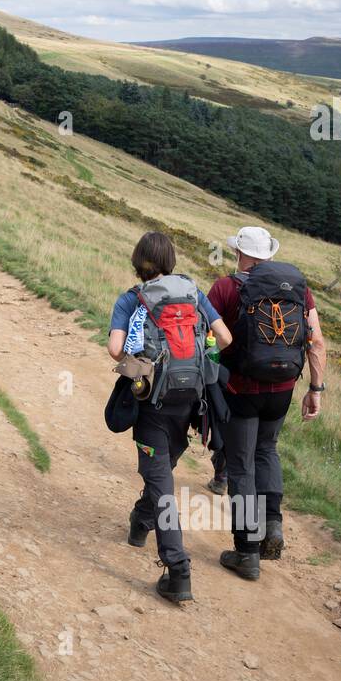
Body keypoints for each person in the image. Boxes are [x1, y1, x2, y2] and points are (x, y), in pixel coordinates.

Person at [109, 232, 231, 602]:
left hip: (151, 404)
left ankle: (178, 569)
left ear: (137, 262)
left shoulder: (133, 299)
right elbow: (223, 338)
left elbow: (115, 350)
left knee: (161, 484)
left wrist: (143, 360)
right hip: (190, 403)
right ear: (171, 261)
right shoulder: (193, 292)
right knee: (161, 474)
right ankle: (141, 520)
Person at [207, 226, 326, 580]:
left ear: (240, 253)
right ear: (270, 255)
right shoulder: (298, 291)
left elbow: (208, 337)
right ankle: (273, 525)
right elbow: (316, 343)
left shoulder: (226, 287)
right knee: (267, 451)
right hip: (283, 389)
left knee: (241, 466)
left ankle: (246, 552)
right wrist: (316, 389)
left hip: (241, 390)